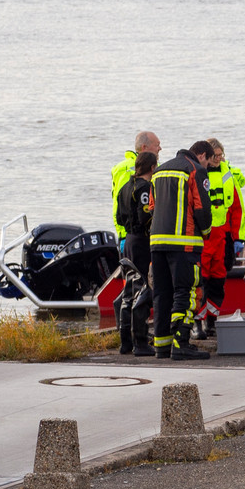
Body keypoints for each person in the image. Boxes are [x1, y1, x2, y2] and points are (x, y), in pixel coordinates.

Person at [149, 140, 213, 360]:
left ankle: (162, 346)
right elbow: (202, 207)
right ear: (202, 156)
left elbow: (151, 208)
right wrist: (206, 232)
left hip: (157, 242)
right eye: (209, 161)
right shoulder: (196, 170)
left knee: (161, 293)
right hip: (185, 243)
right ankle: (181, 343)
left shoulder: (158, 171)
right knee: (185, 292)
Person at [198, 137, 245, 338]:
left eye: (220, 155)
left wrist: (238, 238)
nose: (218, 159)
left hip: (222, 237)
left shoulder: (228, 174)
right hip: (202, 236)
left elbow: (237, 209)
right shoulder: (197, 174)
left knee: (218, 281)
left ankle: (211, 321)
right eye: (214, 156)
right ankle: (197, 324)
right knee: (199, 282)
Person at [114, 151, 157, 356]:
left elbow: (119, 217)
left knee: (129, 290)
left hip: (128, 240)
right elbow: (144, 216)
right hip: (141, 240)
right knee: (142, 290)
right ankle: (140, 342)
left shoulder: (124, 187)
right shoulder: (145, 188)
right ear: (152, 168)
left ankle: (125, 342)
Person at [112, 131, 161, 241]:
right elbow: (125, 201)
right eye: (157, 145)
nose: (160, 148)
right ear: (144, 147)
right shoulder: (127, 167)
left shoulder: (155, 165)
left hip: (134, 232)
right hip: (132, 232)